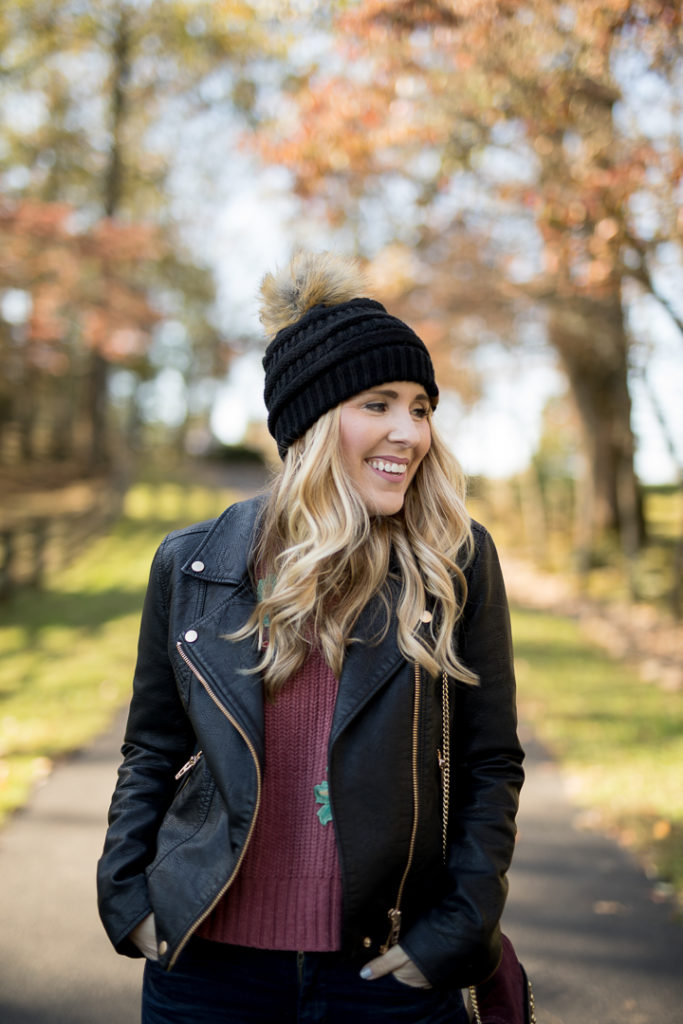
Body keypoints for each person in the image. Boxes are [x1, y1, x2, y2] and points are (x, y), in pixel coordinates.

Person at [97, 250, 525, 1024]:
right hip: (205, 973)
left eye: (421, 408)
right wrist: (127, 896)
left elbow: (488, 761)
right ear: (312, 421)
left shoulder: (454, 559)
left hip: (385, 977)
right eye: (378, 403)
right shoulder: (191, 565)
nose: (409, 432)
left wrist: (457, 930)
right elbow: (151, 749)